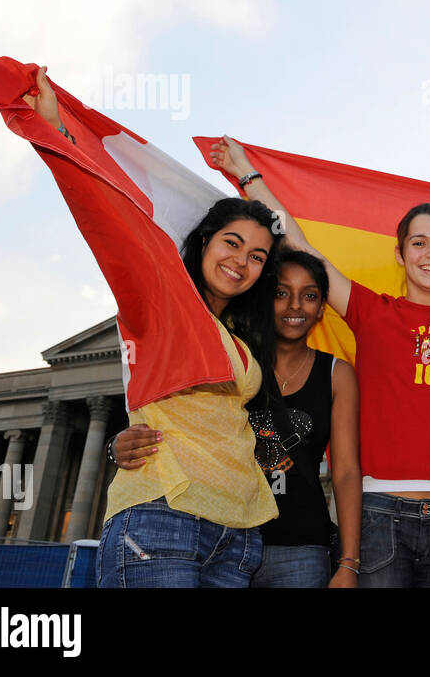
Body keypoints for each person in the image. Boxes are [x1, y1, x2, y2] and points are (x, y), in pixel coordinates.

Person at [23, 66, 284, 588]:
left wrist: (248, 177)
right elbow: (111, 218)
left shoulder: (240, 335)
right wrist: (58, 133)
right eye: (231, 243)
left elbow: (300, 255)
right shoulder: (163, 300)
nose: (242, 262)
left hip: (237, 536)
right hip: (163, 518)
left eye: (257, 256)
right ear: (204, 241)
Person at [209, 137, 430, 588]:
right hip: (381, 514)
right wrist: (247, 175)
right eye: (418, 243)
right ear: (399, 254)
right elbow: (300, 245)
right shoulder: (372, 311)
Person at [112, 251, 362, 588]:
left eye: (310, 295)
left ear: (320, 309)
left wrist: (349, 562)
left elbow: (345, 471)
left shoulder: (336, 374)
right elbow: (174, 419)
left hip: (300, 547)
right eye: (281, 292)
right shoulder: (233, 360)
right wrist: (117, 445)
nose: (295, 306)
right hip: (226, 539)